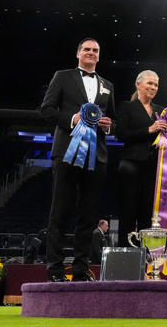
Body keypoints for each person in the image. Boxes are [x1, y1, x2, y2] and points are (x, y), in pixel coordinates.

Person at [41, 38, 116, 282]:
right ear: (78, 53)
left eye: (95, 50)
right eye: (87, 49)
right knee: (60, 212)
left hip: (97, 156)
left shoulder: (107, 85)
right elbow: (46, 110)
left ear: (99, 55)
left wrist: (108, 126)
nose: (91, 53)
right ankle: (55, 270)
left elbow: (113, 120)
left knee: (88, 216)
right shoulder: (63, 76)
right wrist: (72, 119)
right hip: (67, 152)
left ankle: (81, 270)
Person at [115, 70, 166, 244]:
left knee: (149, 214)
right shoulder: (127, 107)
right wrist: (149, 130)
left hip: (154, 168)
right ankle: (125, 252)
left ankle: (146, 256)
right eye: (150, 83)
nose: (153, 87)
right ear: (138, 84)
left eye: (156, 84)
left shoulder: (161, 110)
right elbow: (121, 134)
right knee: (128, 212)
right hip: (131, 166)